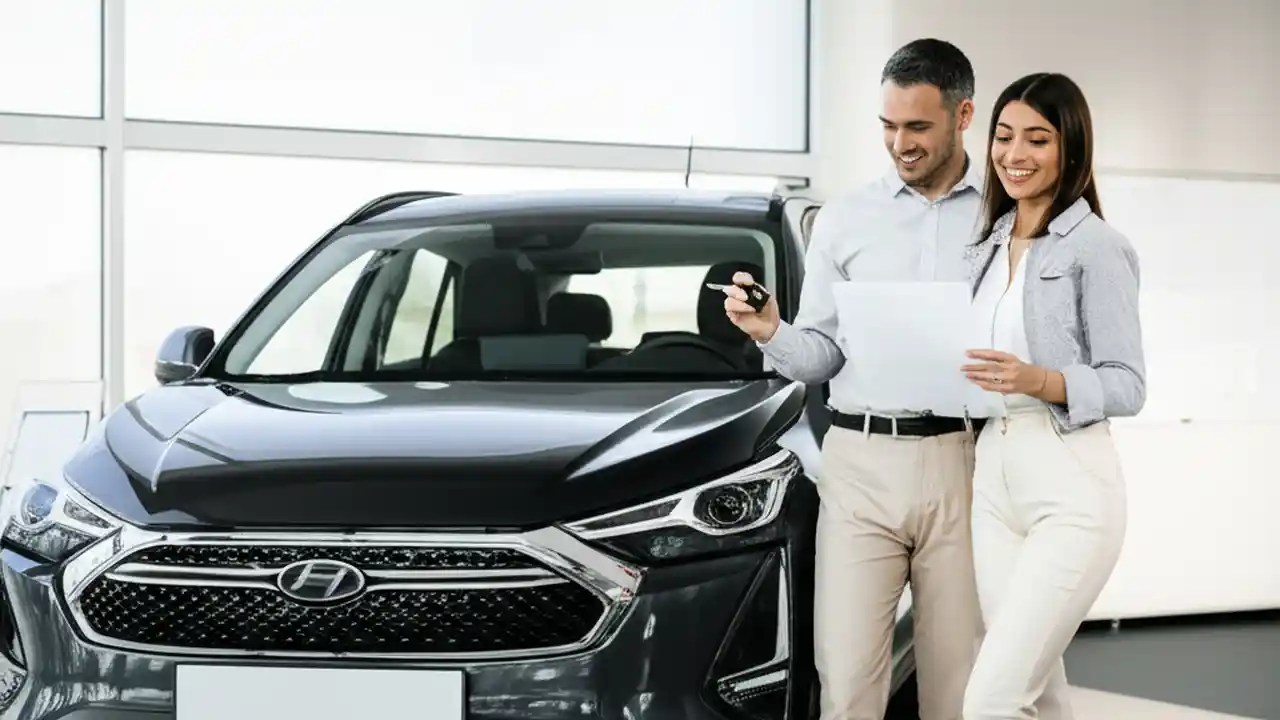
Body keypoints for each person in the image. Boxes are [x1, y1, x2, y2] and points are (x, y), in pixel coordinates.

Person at [723, 38, 985, 720]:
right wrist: (772, 332)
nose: (901, 143)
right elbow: (822, 356)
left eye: (918, 127)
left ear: (963, 117)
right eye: (889, 126)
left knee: (960, 685)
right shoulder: (846, 217)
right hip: (861, 463)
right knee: (844, 681)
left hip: (967, 461)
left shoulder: (1005, 218)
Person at [958, 72, 1145, 719]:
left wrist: (1039, 379)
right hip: (993, 476)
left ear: (1071, 149)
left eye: (1036, 138)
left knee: (990, 700)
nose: (1014, 154)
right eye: (1004, 137)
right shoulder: (982, 248)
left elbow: (1128, 383)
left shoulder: (1098, 247)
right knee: (1042, 697)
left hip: (1070, 482)